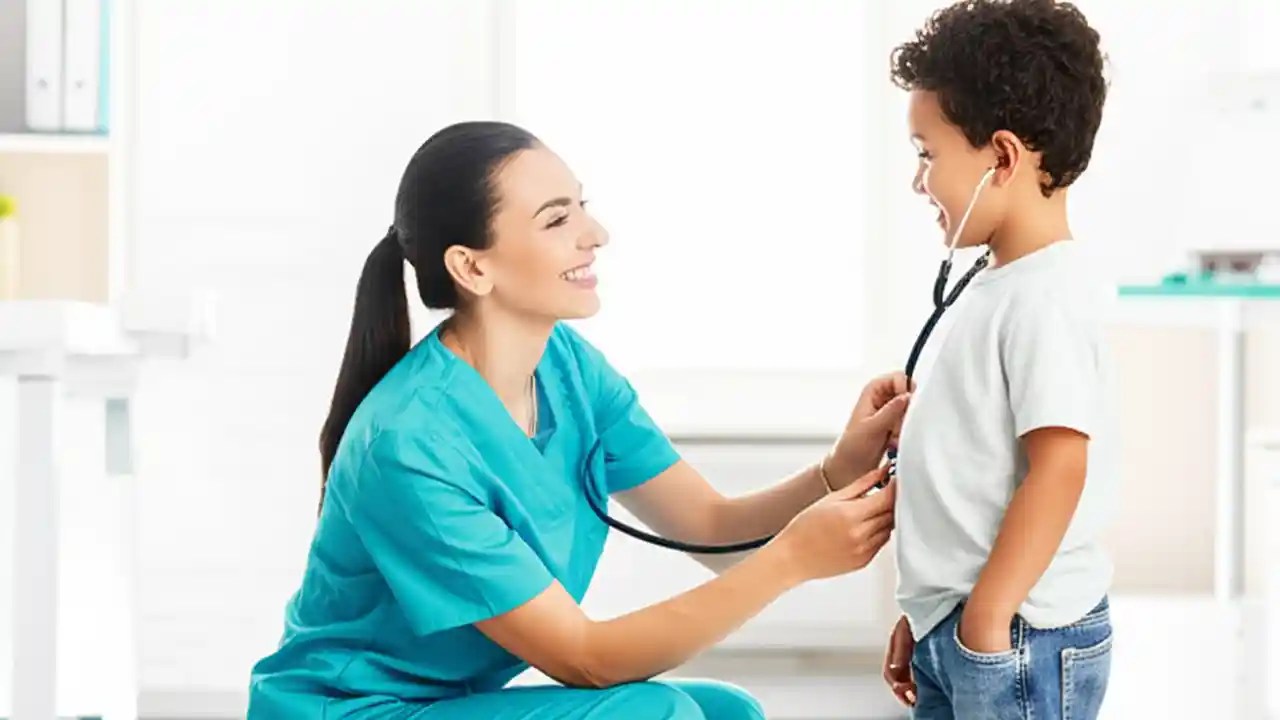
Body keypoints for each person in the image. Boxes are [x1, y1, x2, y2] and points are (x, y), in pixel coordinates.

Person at [247, 120, 912, 719]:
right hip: (351, 710)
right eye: (556, 219)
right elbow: (585, 657)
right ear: (472, 266)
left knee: (724, 713)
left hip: (448, 702)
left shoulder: (567, 367)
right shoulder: (408, 443)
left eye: (582, 208)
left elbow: (710, 528)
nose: (595, 236)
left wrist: (836, 471)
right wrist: (794, 560)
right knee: (657, 717)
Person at [878, 1, 1118, 718]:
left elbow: (1059, 468)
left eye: (927, 154)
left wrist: (984, 618)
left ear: (1003, 157)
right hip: (975, 624)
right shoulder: (998, 282)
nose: (919, 182)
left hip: (1019, 632)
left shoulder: (1047, 297)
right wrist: (930, 612)